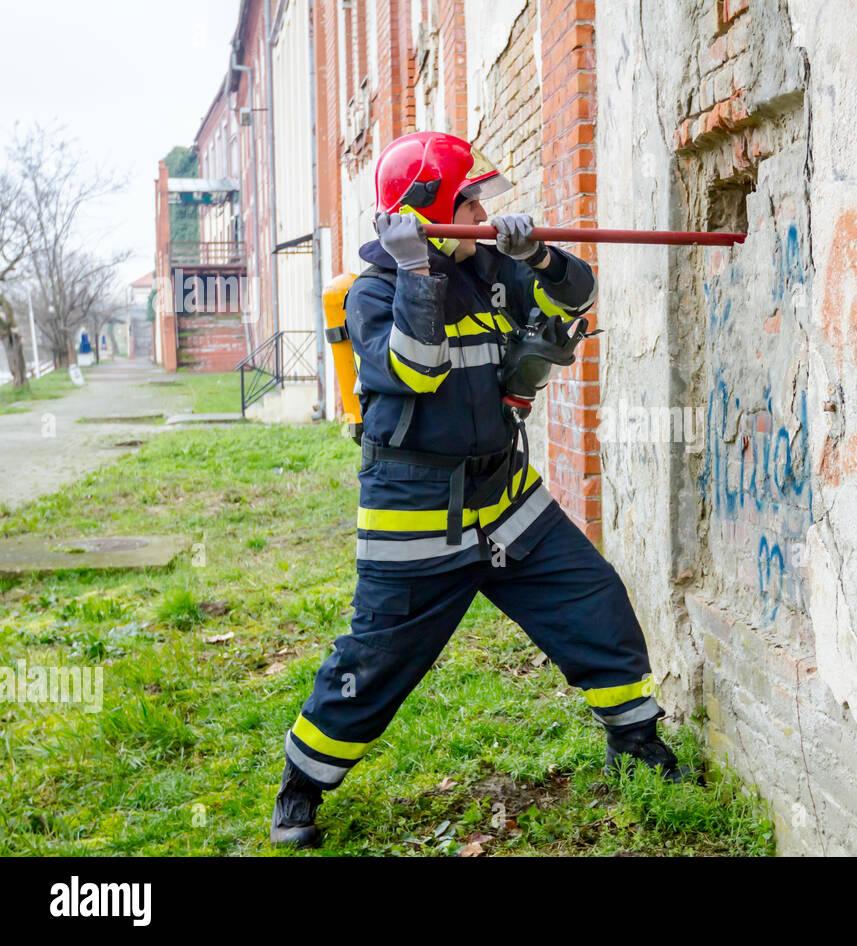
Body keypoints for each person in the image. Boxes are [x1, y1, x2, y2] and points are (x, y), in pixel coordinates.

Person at [270, 131, 682, 849]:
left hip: (503, 493)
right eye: (470, 200)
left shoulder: (493, 266)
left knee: (594, 601)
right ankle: (302, 783)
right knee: (375, 663)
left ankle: (637, 743)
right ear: (429, 209)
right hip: (415, 508)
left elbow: (578, 294)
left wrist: (540, 258)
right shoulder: (373, 292)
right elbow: (417, 369)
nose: (484, 214)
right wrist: (415, 272)